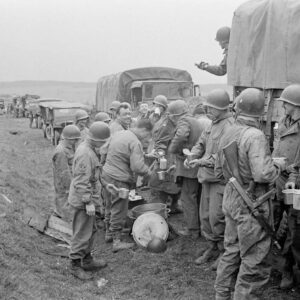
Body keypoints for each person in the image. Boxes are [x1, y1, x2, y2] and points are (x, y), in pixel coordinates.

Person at [214, 88, 283, 300]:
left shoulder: (228, 131)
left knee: (231, 251)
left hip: (232, 197)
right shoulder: (255, 135)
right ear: (260, 111)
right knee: (254, 259)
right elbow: (262, 174)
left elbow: (218, 171)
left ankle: (222, 294)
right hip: (252, 203)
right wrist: (277, 167)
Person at [187, 89, 233, 269]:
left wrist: (200, 161)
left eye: (211, 108)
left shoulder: (229, 126)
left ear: (221, 108)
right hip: (206, 178)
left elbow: (221, 156)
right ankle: (212, 247)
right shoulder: (212, 123)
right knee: (205, 216)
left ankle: (223, 252)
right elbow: (201, 142)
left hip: (220, 181)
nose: (207, 111)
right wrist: (193, 154)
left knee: (217, 217)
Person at [102, 119, 153, 252]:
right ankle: (117, 240)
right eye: (148, 135)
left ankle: (108, 233)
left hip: (107, 174)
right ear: (143, 130)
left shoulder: (120, 133)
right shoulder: (135, 142)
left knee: (109, 204)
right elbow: (137, 167)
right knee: (119, 208)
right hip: (119, 179)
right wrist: (149, 173)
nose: (147, 139)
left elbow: (103, 151)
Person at [68, 121, 110, 280]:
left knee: (90, 231)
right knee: (81, 234)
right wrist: (88, 202)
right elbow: (80, 181)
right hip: (82, 202)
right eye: (103, 141)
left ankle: (86, 260)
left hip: (88, 198)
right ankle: (74, 265)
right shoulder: (85, 153)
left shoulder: (91, 150)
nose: (104, 144)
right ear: (96, 139)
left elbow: (94, 176)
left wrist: (108, 186)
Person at [273, 84, 300, 289]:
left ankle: (288, 270)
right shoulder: (284, 122)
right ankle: (276, 264)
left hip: (296, 184)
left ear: (294, 104)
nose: (282, 105)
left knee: (293, 228)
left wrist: (293, 171)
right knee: (273, 223)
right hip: (279, 180)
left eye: (285, 103)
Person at [168, 100, 204, 238]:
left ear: (174, 115)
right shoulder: (195, 120)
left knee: (188, 198)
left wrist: (173, 149)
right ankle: (200, 226)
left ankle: (193, 230)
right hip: (196, 165)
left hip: (188, 167)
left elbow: (182, 135)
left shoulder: (183, 121)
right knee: (198, 197)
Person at [147, 98, 181, 214]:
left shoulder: (168, 122)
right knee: (163, 182)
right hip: (164, 155)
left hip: (167, 156)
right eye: (156, 105)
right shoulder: (158, 118)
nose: (157, 108)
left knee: (163, 182)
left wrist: (159, 154)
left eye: (159, 106)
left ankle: (165, 208)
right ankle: (160, 209)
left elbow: (163, 141)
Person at [52, 125, 81, 221]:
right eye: (74, 139)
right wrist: (69, 186)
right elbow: (63, 172)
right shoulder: (61, 151)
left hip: (70, 179)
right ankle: (62, 219)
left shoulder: (69, 147)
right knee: (64, 200)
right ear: (67, 138)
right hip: (64, 182)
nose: (76, 142)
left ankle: (62, 216)